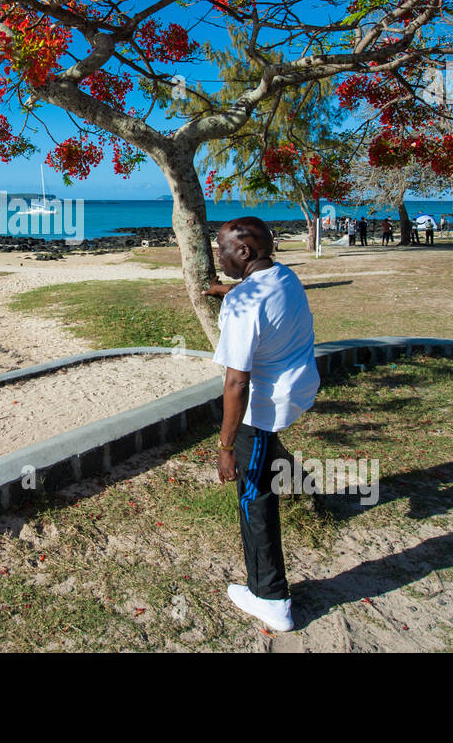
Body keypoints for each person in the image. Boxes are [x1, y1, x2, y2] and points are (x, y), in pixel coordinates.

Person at [204, 218, 319, 633]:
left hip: (261, 409)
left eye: (222, 250)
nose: (218, 257)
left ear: (245, 253)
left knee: (255, 500)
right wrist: (226, 291)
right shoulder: (284, 276)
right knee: (262, 488)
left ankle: (270, 597)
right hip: (296, 389)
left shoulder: (243, 305)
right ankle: (268, 592)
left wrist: (225, 446)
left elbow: (236, 381)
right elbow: (259, 298)